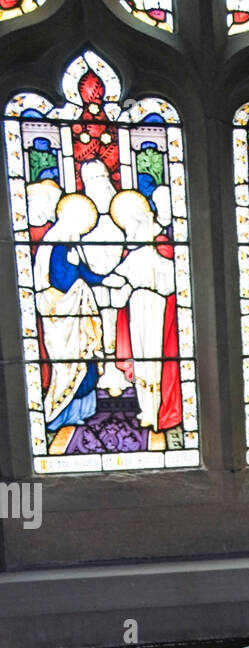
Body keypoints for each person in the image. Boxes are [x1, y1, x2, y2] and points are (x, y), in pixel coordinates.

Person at [34, 193, 123, 455]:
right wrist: (80, 276)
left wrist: (106, 279)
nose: (83, 229)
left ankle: (83, 410)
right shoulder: (57, 244)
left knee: (85, 358)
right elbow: (61, 281)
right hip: (60, 312)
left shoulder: (69, 243)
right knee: (68, 363)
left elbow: (84, 273)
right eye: (82, 222)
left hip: (76, 310)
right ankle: (62, 414)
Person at [109, 189, 180, 449]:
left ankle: (157, 410)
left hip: (158, 310)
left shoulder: (164, 248)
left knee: (156, 359)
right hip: (138, 308)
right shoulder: (136, 255)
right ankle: (146, 409)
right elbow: (116, 283)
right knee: (142, 360)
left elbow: (173, 280)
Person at [79, 159, 128, 396]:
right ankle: (106, 372)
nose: (99, 190)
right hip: (94, 289)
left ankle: (118, 372)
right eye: (93, 184)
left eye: (103, 182)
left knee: (117, 330)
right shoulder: (82, 223)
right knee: (98, 331)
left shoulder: (120, 219)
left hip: (119, 287)